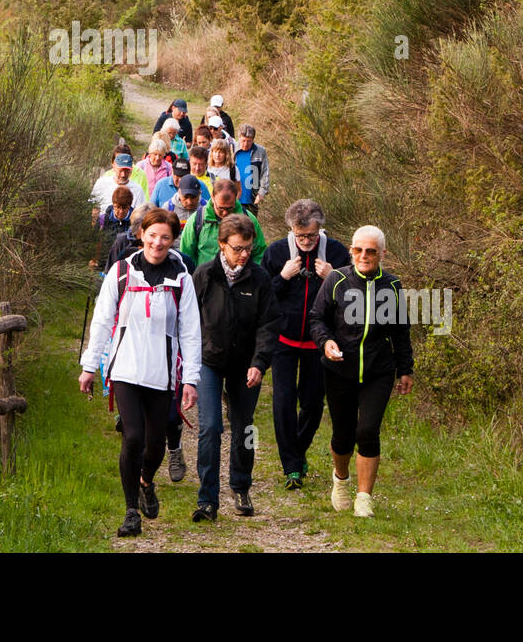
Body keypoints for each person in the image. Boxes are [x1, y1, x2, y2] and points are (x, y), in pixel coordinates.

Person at [80, 209, 201, 537]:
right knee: (132, 436)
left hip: (162, 371)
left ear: (173, 239)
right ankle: (131, 510)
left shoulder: (181, 278)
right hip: (126, 368)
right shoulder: (122, 271)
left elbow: (190, 331)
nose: (157, 243)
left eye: (165, 237)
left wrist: (190, 379)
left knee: (155, 445)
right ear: (141, 234)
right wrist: (89, 366)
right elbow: (103, 321)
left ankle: (147, 480)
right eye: (152, 235)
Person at [308, 225, 413, 519]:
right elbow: (317, 319)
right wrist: (326, 342)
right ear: (351, 250)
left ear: (381, 254)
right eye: (358, 250)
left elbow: (400, 330)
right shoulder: (335, 279)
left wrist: (406, 369)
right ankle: (341, 480)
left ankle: (365, 497)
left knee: (367, 431)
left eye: (370, 251)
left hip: (379, 371)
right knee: (343, 435)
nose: (363, 256)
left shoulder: (392, 286)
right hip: (340, 369)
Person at [190, 214, 279, 521]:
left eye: (249, 248)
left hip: (246, 365)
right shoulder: (204, 275)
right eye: (238, 248)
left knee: (245, 426)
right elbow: (188, 322)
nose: (244, 255)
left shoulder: (260, 279)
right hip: (209, 362)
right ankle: (207, 500)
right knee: (211, 427)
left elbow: (269, 325)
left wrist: (259, 363)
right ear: (222, 245)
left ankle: (241, 485)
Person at [263, 200, 351, 489]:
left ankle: (297, 451)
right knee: (283, 402)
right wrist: (282, 277)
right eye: (300, 237)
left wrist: (333, 278)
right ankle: (292, 467)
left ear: (320, 230)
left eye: (311, 237)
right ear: (291, 230)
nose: (306, 242)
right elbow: (264, 299)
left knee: (312, 404)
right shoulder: (276, 252)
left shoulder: (337, 252)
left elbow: (353, 301)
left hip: (320, 342)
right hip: (284, 340)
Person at [180, 178, 267, 267]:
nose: (225, 213)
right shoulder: (197, 220)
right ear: (212, 198)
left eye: (229, 208)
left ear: (236, 198)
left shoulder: (249, 220)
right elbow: (186, 254)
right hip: (206, 278)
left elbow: (260, 253)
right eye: (220, 208)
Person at [90, 148, 147, 220]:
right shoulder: (101, 183)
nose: (123, 175)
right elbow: (94, 208)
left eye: (127, 171)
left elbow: (140, 216)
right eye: (121, 170)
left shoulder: (138, 190)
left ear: (131, 169)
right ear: (113, 167)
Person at [91, 186, 134, 270]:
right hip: (103, 266)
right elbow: (94, 241)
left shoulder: (135, 222)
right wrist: (93, 259)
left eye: (125, 208)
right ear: (113, 205)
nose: (121, 211)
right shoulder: (102, 220)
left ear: (129, 206)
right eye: (117, 207)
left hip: (126, 267)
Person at [234, 126, 270, 216]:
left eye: (249, 141)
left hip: (252, 197)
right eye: (243, 141)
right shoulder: (232, 149)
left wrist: (261, 192)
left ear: (253, 140)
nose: (245, 144)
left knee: (250, 226)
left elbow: (265, 172)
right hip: (234, 196)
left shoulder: (260, 151)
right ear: (239, 138)